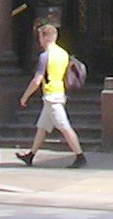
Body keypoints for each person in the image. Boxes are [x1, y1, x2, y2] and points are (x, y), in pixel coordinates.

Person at [16, 22, 86, 168]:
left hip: (52, 96)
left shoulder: (45, 56)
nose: (39, 40)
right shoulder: (63, 53)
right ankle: (31, 155)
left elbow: (37, 80)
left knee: (64, 126)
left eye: (40, 37)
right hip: (59, 92)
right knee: (42, 127)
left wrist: (25, 97)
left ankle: (80, 156)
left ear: (45, 38)